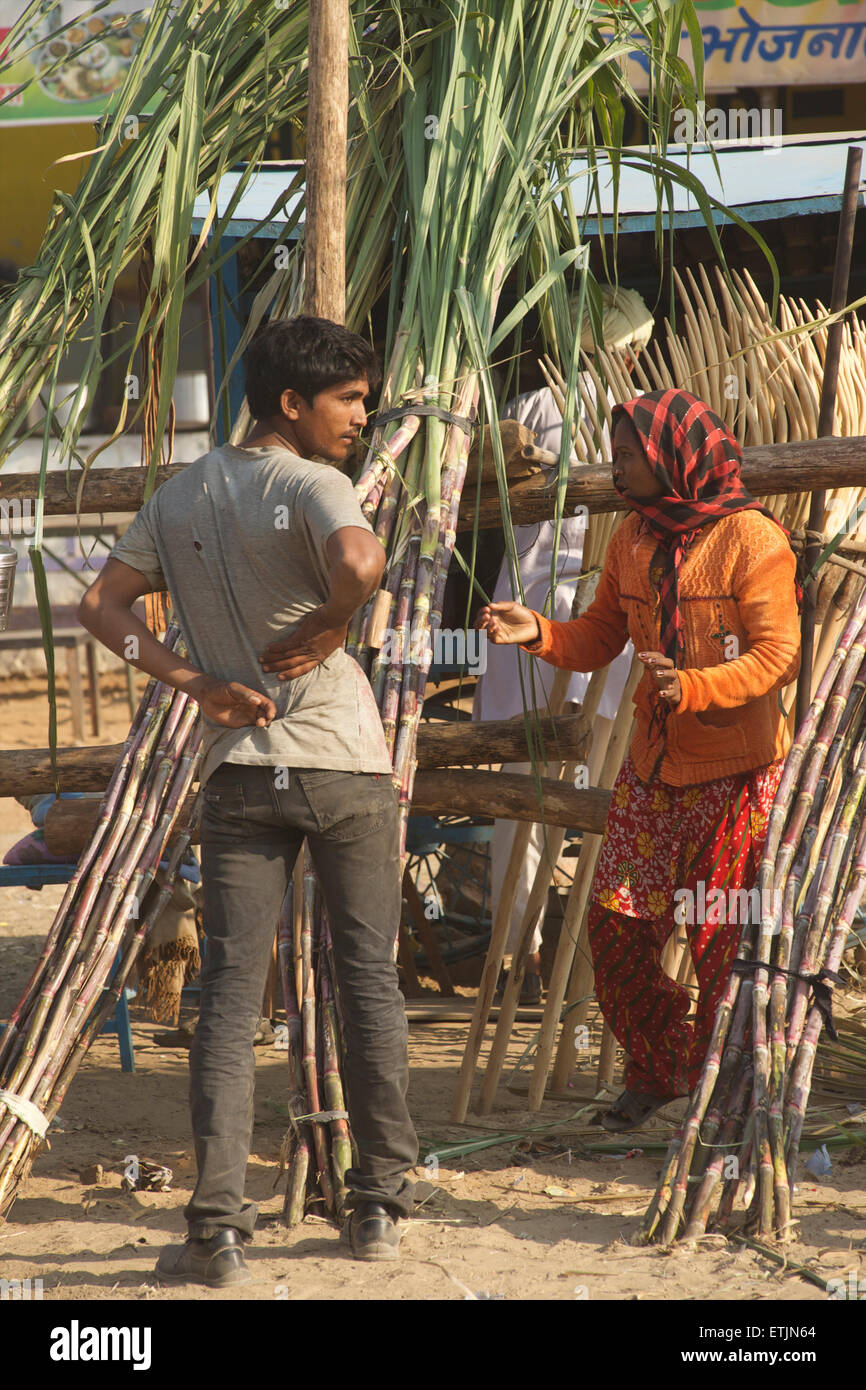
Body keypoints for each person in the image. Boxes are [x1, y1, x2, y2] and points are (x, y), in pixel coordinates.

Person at [77, 316, 418, 1284]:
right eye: (348, 399)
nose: (360, 416)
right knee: (365, 979)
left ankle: (216, 1229)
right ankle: (378, 1206)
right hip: (341, 760)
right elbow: (359, 563)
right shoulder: (311, 482)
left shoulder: (180, 493)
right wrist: (328, 621)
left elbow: (100, 605)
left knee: (228, 999)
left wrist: (193, 682)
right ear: (289, 404)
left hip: (238, 766)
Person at [478, 388, 801, 1129]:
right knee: (615, 932)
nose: (616, 466)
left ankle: (732, 1090)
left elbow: (778, 656)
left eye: (628, 454)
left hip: (736, 777)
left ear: (670, 457)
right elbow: (598, 638)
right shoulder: (634, 537)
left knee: (723, 940)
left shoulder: (755, 541)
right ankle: (666, 1067)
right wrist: (536, 631)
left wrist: (694, 686)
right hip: (653, 776)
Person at [473, 286, 653, 1002]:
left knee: (523, 794)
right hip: (602, 623)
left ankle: (514, 959)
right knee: (600, 787)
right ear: (630, 347)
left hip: (532, 621)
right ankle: (587, 972)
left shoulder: (530, 407)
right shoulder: (645, 416)